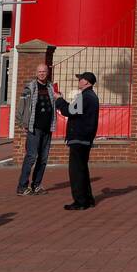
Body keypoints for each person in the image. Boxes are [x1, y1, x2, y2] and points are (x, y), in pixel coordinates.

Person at [15, 63, 59, 196]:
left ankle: (36, 185)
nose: (42, 73)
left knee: (43, 158)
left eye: (44, 71)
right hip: (34, 128)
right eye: (39, 71)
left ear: (48, 73)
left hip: (47, 128)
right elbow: (21, 106)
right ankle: (22, 186)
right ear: (36, 73)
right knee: (31, 157)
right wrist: (22, 123)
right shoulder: (30, 88)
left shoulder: (51, 87)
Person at [57, 72, 99, 210]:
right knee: (82, 169)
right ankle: (88, 198)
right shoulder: (91, 96)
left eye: (81, 79)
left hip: (79, 138)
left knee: (76, 171)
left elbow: (70, 111)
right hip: (85, 138)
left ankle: (80, 201)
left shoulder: (85, 96)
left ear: (86, 82)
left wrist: (59, 100)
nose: (79, 81)